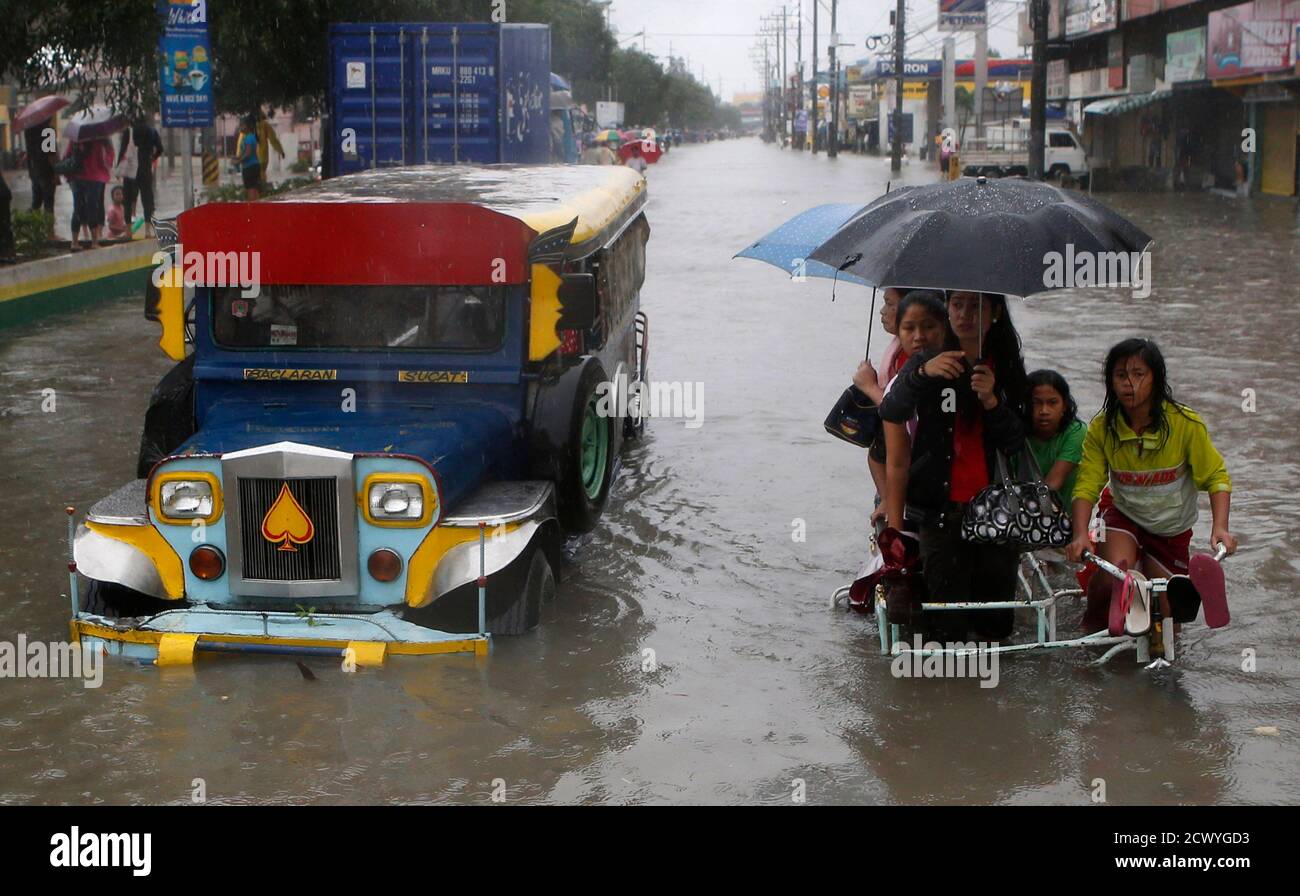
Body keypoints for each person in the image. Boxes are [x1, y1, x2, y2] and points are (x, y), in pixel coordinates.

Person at [879, 290, 1029, 640]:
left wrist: (992, 401)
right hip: (940, 513)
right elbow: (891, 409)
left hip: (996, 514)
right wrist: (922, 373)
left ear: (993, 313)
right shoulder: (926, 361)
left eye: (976, 306)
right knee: (947, 628)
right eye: (957, 304)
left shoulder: (1005, 365)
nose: (965, 314)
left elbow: (1016, 441)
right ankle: (951, 685)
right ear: (947, 310)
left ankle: (987, 694)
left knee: (996, 628)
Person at [1065, 338, 1236, 631]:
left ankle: (1149, 613)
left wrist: (1220, 527)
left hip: (1171, 528)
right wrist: (1080, 534)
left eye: (1138, 374)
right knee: (1113, 576)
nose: (1129, 384)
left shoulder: (1186, 424)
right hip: (1123, 515)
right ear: (1111, 382)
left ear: (1156, 379)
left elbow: (1216, 477)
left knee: (1169, 614)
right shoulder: (1102, 428)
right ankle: (1091, 634)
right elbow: (1086, 486)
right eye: (1121, 375)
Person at [1023, 369, 1086, 506]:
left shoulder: (1076, 432)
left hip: (1063, 519)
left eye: (1052, 403)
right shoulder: (1018, 433)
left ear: (1065, 405)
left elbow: (1052, 485)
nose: (1044, 411)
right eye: (1036, 403)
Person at [65, 136, 114, 250]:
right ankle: (94, 242)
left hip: (76, 177)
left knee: (77, 207)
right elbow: (109, 156)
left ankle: (74, 242)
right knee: (92, 207)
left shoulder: (76, 136)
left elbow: (67, 155)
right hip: (95, 176)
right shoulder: (101, 136)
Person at [119, 119, 163, 237]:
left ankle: (128, 231)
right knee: (147, 198)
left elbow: (123, 151)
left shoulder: (128, 132)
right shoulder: (152, 132)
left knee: (128, 200)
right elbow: (160, 149)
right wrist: (151, 158)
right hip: (145, 168)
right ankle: (147, 231)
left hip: (130, 169)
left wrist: (119, 169)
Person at [24, 123, 58, 223]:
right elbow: (51, 155)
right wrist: (56, 172)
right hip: (47, 172)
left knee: (36, 203)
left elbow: (29, 154)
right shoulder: (48, 131)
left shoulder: (29, 131)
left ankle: (31, 226)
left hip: (35, 171)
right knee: (48, 203)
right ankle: (49, 231)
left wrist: (30, 172)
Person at [256, 109, 285, 187]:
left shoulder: (253, 126)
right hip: (262, 155)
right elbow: (273, 139)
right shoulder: (265, 125)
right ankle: (262, 189)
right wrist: (281, 151)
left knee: (259, 174)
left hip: (256, 156)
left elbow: (273, 139)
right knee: (261, 173)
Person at [235, 117, 261, 200]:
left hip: (249, 167)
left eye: (242, 125)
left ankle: (252, 208)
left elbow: (248, 153)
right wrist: (237, 157)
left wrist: (238, 161)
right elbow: (247, 152)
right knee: (254, 188)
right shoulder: (251, 137)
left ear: (247, 126)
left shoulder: (248, 138)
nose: (240, 127)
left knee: (250, 189)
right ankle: (257, 207)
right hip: (254, 166)